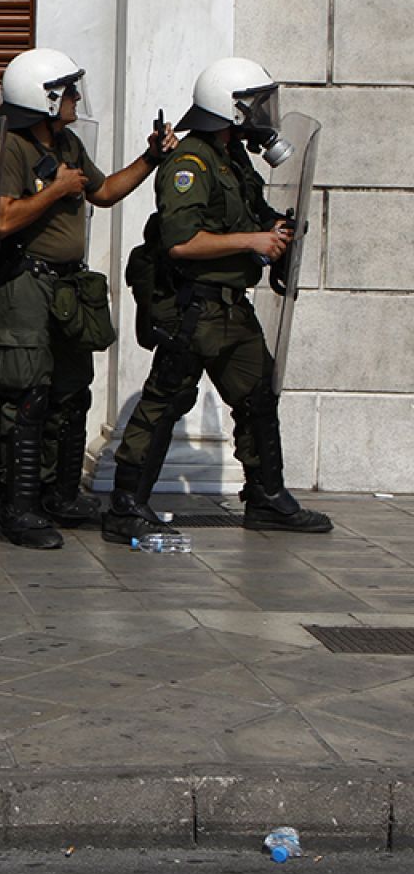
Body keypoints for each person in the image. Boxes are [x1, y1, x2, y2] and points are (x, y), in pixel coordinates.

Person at [103, 57, 333, 544]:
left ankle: (267, 497)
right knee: (165, 402)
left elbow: (252, 212)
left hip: (231, 307)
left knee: (257, 395)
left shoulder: (232, 157)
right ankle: (126, 505)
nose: (261, 114)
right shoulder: (190, 163)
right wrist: (253, 242)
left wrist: (276, 228)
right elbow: (181, 242)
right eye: (253, 105)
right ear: (229, 109)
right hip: (195, 308)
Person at [0, 47, 174, 549]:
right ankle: (19, 507)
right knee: (26, 395)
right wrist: (53, 191)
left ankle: (60, 494)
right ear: (42, 98)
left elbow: (105, 191)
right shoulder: (11, 148)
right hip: (25, 283)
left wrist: (151, 158)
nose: (74, 98)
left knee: (72, 393)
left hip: (68, 286)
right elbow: (2, 219)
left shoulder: (67, 144)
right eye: (67, 91)